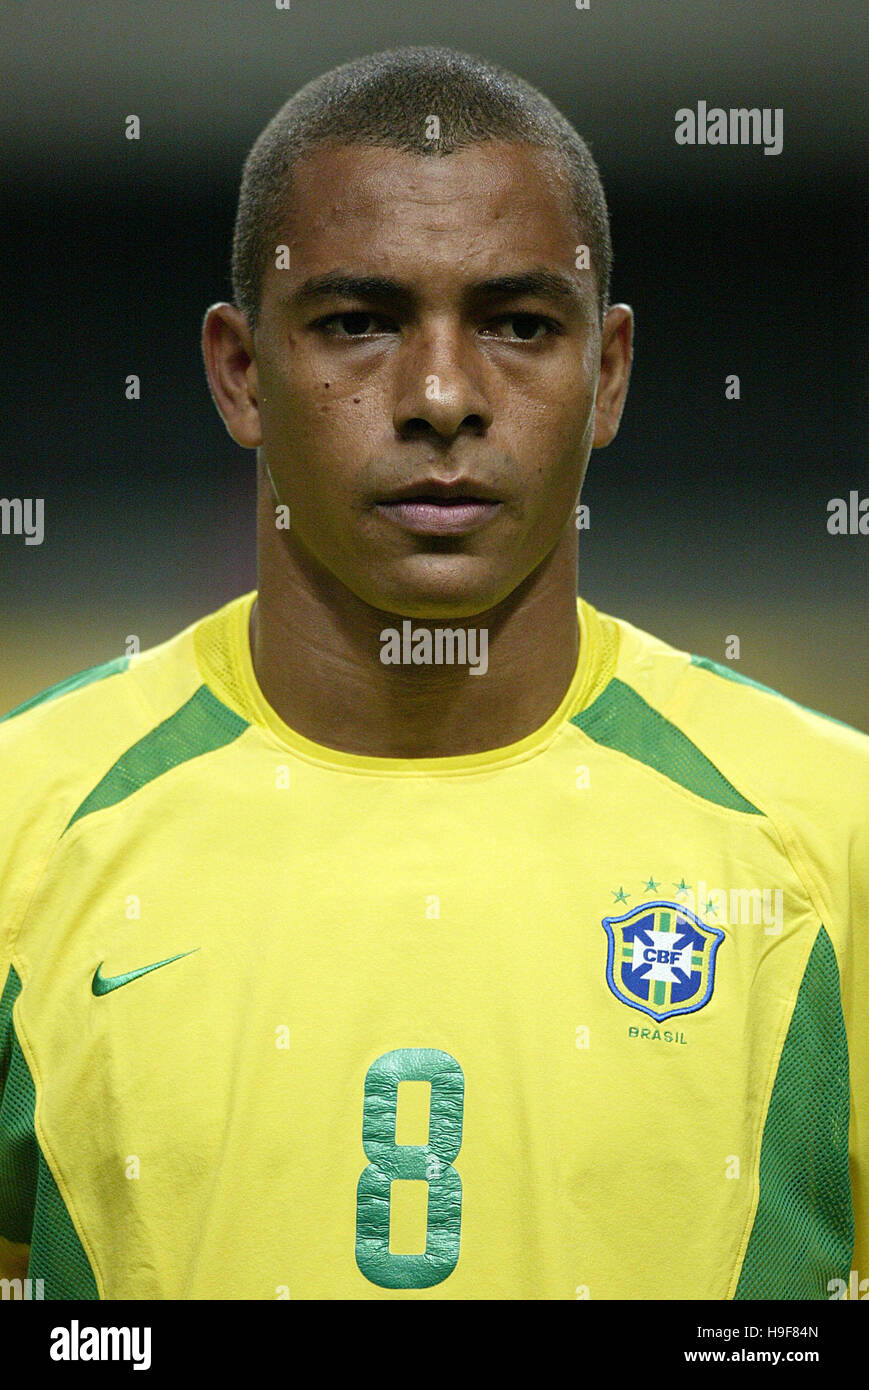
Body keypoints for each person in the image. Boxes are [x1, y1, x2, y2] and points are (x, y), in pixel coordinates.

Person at [1, 45, 865, 1301]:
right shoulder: (24, 826)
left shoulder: (829, 832)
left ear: (606, 374)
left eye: (518, 325)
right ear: (239, 372)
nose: (443, 396)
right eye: (357, 323)